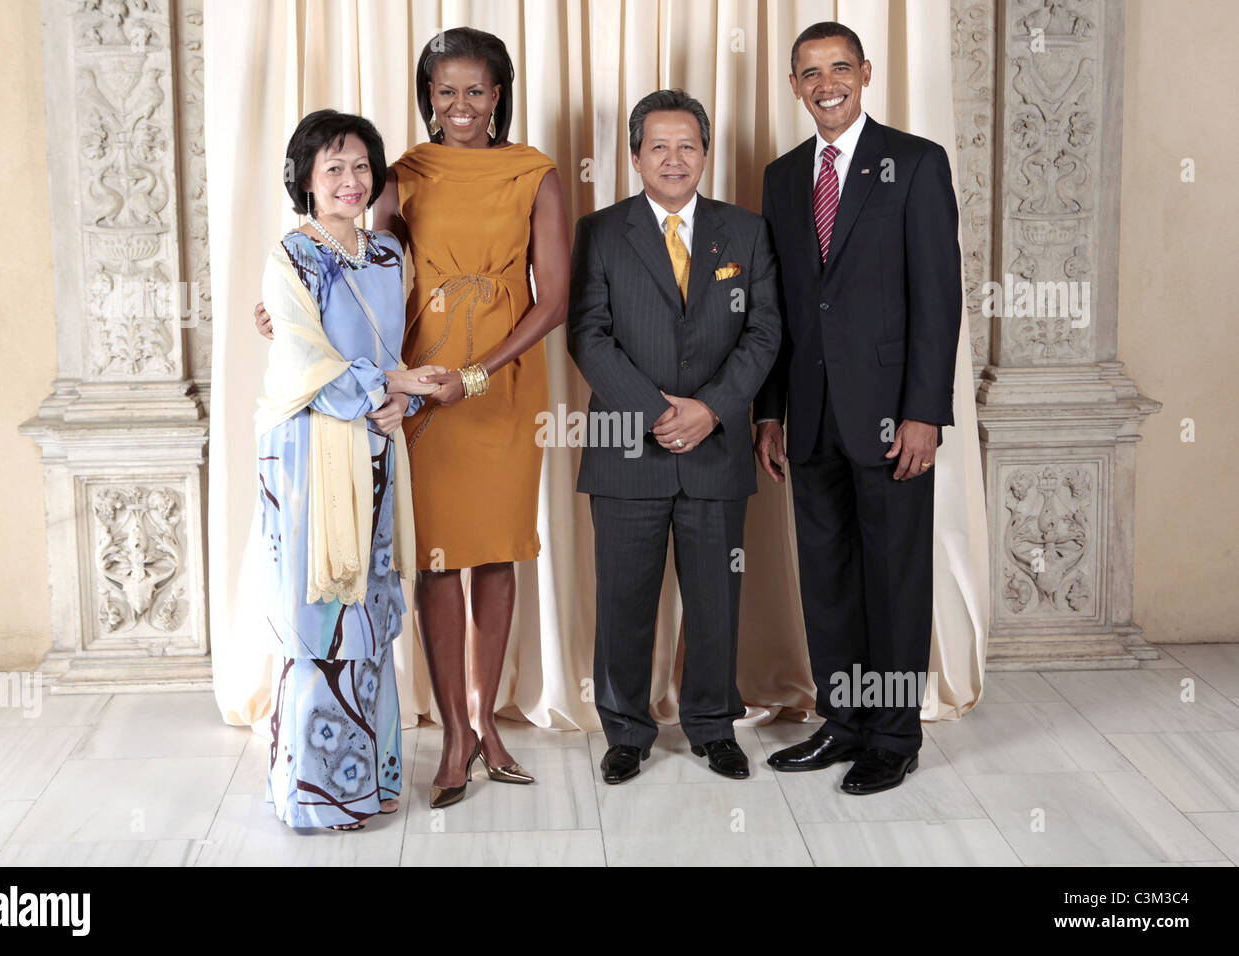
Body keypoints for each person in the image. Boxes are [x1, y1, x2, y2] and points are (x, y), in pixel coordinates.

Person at [256, 27, 570, 809]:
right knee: (435, 556)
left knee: (497, 553)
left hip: (498, 388)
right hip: (417, 391)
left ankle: (489, 722)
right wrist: (287, 318)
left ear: (499, 95)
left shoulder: (537, 173)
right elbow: (364, 270)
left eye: (477, 90)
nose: (460, 105)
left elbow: (555, 298)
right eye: (445, 91)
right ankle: (457, 735)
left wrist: (478, 373)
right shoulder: (403, 172)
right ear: (428, 97)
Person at [754, 22, 962, 794]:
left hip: (892, 418)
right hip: (808, 418)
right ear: (795, 86)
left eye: (839, 67)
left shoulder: (914, 163)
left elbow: (938, 301)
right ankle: (843, 721)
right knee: (829, 579)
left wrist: (924, 413)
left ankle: (894, 735)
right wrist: (769, 413)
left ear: (866, 73)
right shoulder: (780, 178)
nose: (826, 83)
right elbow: (774, 310)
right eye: (810, 72)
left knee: (895, 576)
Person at [568, 90, 781, 784]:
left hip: (716, 450)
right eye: (658, 146)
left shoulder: (745, 233)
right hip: (629, 450)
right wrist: (658, 412)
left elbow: (765, 331)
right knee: (624, 601)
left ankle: (713, 727)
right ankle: (626, 732)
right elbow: (587, 335)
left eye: (687, 145)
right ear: (634, 157)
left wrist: (712, 409)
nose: (673, 158)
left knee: (717, 600)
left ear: (705, 153)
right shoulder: (601, 231)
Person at [256, 109, 443, 829]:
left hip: (372, 446)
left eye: (361, 166)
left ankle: (374, 777)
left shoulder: (391, 255)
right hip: (307, 450)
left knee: (368, 608)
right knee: (320, 612)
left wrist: (397, 399)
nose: (348, 180)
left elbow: (393, 351)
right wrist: (390, 390)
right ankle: (317, 793)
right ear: (305, 178)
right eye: (332, 167)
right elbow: (303, 360)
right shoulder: (291, 256)